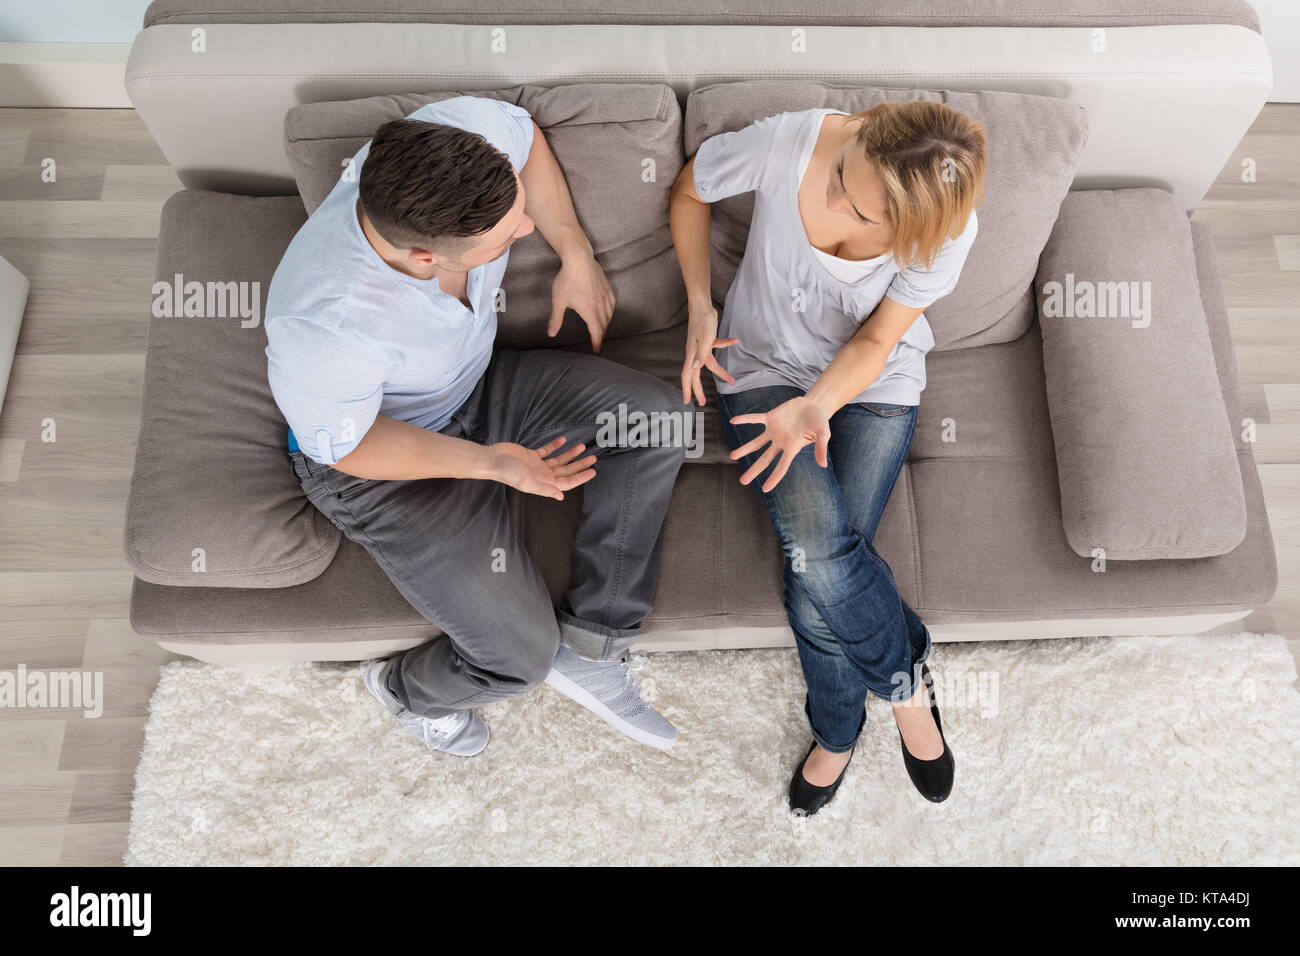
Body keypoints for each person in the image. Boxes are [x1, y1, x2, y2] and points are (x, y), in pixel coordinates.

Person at [266, 96, 686, 756]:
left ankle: (596, 647)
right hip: (385, 461)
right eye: (505, 236)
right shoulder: (324, 327)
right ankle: (407, 692)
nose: (525, 228)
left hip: (479, 390)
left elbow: (528, 143)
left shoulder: (454, 138)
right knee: (520, 660)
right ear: (426, 258)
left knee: (658, 422)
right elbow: (349, 447)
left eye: (516, 212)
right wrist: (492, 463)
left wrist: (576, 254)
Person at [670, 100, 986, 812]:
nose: (837, 200)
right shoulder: (790, 140)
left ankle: (837, 732)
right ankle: (903, 690)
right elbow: (691, 188)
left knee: (817, 566)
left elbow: (877, 343)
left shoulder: (948, 233)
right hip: (761, 368)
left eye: (864, 214)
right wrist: (698, 303)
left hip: (871, 378)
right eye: (843, 177)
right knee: (821, 546)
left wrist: (820, 406)